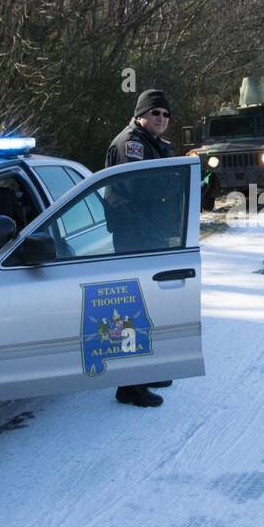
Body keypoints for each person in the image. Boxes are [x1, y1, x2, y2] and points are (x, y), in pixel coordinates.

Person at [104, 88, 176, 408]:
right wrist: (175, 179)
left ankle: (144, 371)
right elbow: (140, 187)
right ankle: (128, 385)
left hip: (150, 235)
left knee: (149, 306)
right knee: (130, 309)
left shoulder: (154, 144)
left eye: (165, 114)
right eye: (154, 113)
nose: (160, 118)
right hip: (134, 237)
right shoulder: (131, 144)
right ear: (140, 115)